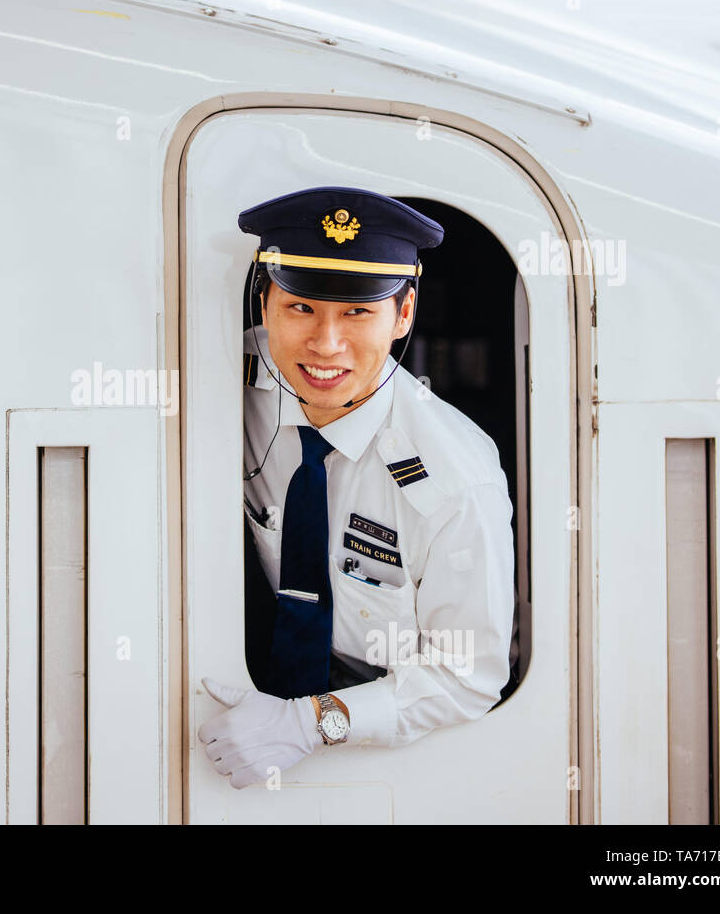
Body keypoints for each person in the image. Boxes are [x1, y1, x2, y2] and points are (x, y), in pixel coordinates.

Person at [199, 187, 516, 790]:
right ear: (264, 304)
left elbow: (468, 676)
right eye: (301, 308)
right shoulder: (222, 377)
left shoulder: (455, 476)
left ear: (404, 315)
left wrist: (311, 723)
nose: (325, 344)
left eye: (357, 312)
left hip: (383, 712)